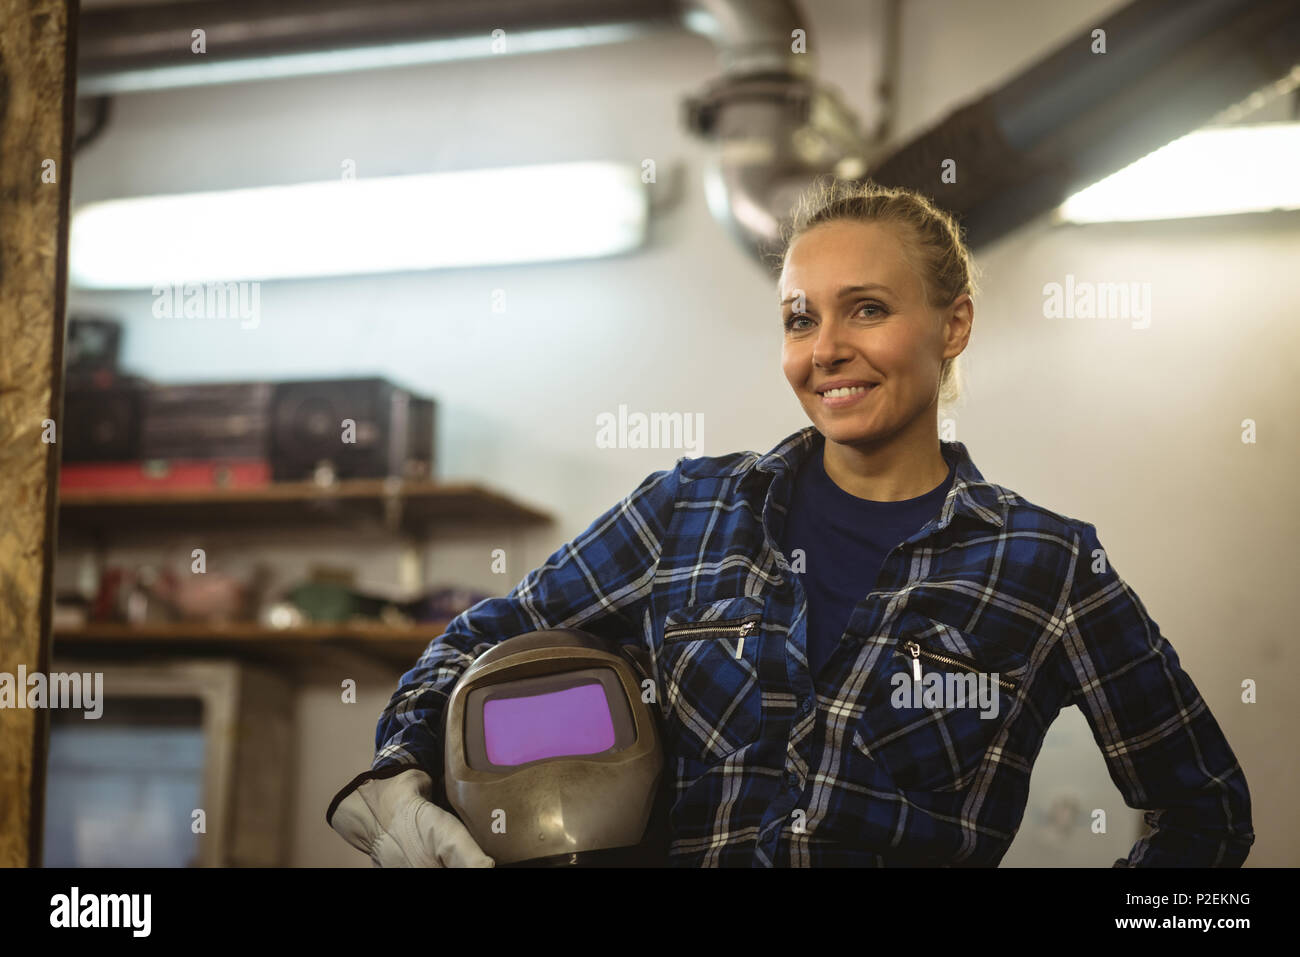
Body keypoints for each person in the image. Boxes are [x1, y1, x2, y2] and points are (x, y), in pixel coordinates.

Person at [327, 179, 1253, 867]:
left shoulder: (1046, 565)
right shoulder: (687, 511)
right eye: (800, 319)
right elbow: (484, 638)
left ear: (954, 324)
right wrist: (396, 777)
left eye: (869, 310)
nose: (827, 350)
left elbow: (1204, 808)